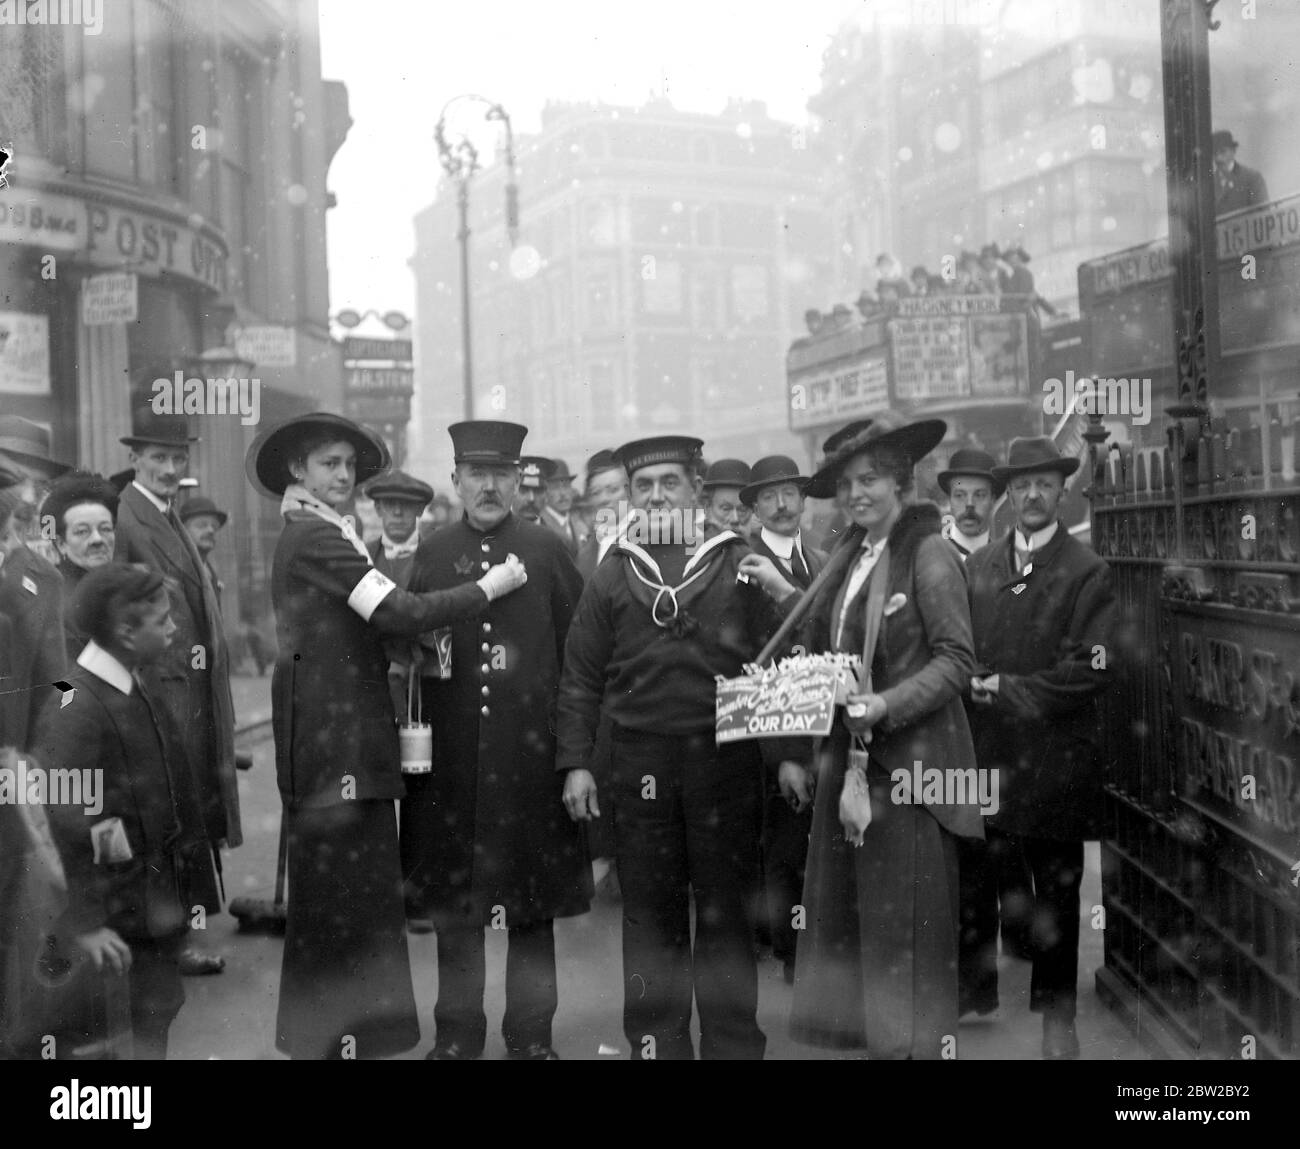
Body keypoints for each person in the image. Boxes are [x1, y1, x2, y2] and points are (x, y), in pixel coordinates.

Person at [246, 411, 527, 1060]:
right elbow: (395, 610)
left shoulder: (319, 530)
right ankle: (342, 1039)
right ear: (299, 471)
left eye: (349, 464)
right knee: (348, 904)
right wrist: (487, 586)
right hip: (336, 745)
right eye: (329, 464)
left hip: (332, 742)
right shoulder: (319, 536)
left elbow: (377, 626)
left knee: (344, 903)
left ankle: (341, 1036)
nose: (343, 475)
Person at [744, 412, 985, 1059]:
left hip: (912, 773)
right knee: (867, 935)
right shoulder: (855, 554)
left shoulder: (927, 552)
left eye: (871, 478)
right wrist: (780, 610)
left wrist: (884, 703)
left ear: (902, 482)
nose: (857, 493)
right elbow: (836, 647)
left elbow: (957, 660)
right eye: (847, 482)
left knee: (904, 937)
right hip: (854, 771)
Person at [558, 435, 790, 1060]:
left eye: (669, 483)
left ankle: (734, 1045)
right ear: (630, 497)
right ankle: (657, 1042)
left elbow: (786, 663)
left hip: (725, 762)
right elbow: (580, 674)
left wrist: (790, 751)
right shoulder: (614, 570)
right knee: (651, 916)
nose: (656, 496)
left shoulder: (738, 562)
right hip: (640, 765)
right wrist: (578, 762)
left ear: (696, 489)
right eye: (643, 486)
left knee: (725, 913)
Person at [402, 421, 591, 1061]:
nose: (489, 485)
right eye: (476, 473)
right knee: (457, 910)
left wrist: (573, 760)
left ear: (519, 481)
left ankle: (530, 1037)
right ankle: (457, 1036)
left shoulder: (544, 550)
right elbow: (411, 648)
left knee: (530, 908)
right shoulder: (431, 553)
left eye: (502, 474)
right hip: (451, 767)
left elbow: (580, 663)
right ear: (454, 481)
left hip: (529, 764)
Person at [962, 436, 1116, 1060]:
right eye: (1022, 485)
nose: (1032, 495)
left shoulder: (1087, 571)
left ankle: (1058, 1022)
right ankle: (982, 992)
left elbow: (1094, 666)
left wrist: (1012, 689)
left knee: (1057, 891)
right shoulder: (979, 568)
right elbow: (960, 645)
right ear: (1009, 495)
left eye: (1044, 485)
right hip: (991, 758)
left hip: (1056, 759)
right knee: (996, 877)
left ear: (1061, 491)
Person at [32, 564, 219, 1059]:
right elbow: (66, 823)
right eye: (163, 621)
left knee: (154, 1014)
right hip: (112, 921)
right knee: (117, 1036)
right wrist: (87, 922)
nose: (175, 628)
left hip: (146, 905)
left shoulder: (135, 683)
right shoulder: (76, 706)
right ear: (126, 632)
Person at [112, 409, 235, 976]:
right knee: (169, 811)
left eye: (176, 459)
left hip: (189, 685)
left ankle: (183, 928)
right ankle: (173, 937)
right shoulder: (127, 518)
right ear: (134, 459)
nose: (168, 468)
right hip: (161, 684)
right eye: (157, 459)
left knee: (187, 806)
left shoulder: (165, 514)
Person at [0, 426, 70, 754]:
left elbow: (53, 686)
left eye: (39, 486)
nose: (28, 494)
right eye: (15, 474)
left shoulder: (45, 579)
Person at [43, 471, 120, 663]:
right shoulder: (58, 603)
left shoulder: (120, 588)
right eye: (82, 531)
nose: (97, 539)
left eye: (105, 529)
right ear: (61, 543)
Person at [364, 469, 433, 589]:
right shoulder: (363, 556)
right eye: (390, 504)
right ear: (378, 509)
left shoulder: (436, 557)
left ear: (420, 510)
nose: (397, 512)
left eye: (406, 504)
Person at [937, 447, 1002, 561]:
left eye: (979, 495)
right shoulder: (934, 560)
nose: (969, 504)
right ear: (949, 500)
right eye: (960, 495)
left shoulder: (1006, 563)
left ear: (993, 500)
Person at [574, 448, 629, 581]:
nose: (604, 499)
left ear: (629, 490)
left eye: (613, 490)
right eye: (596, 492)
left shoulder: (644, 538)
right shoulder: (586, 549)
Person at [178, 496, 229, 606]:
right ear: (182, 531)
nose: (211, 530)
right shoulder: (176, 571)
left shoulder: (209, 572)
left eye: (214, 526)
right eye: (202, 525)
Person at [1213, 129, 1268, 215]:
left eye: (1223, 152)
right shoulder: (1209, 183)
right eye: (1214, 154)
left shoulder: (1252, 178)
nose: (1218, 158)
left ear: (1233, 151)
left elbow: (1263, 212)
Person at [542, 458, 586, 557]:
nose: (562, 493)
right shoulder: (541, 524)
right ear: (545, 492)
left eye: (566, 486)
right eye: (555, 487)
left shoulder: (579, 524)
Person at [699, 458, 752, 538]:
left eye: (742, 510)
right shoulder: (694, 548)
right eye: (726, 509)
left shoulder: (763, 549)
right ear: (707, 509)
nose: (735, 519)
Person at [513, 456, 551, 524]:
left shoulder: (553, 534)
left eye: (538, 491)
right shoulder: (494, 532)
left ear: (546, 495)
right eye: (523, 490)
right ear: (511, 491)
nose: (531, 499)